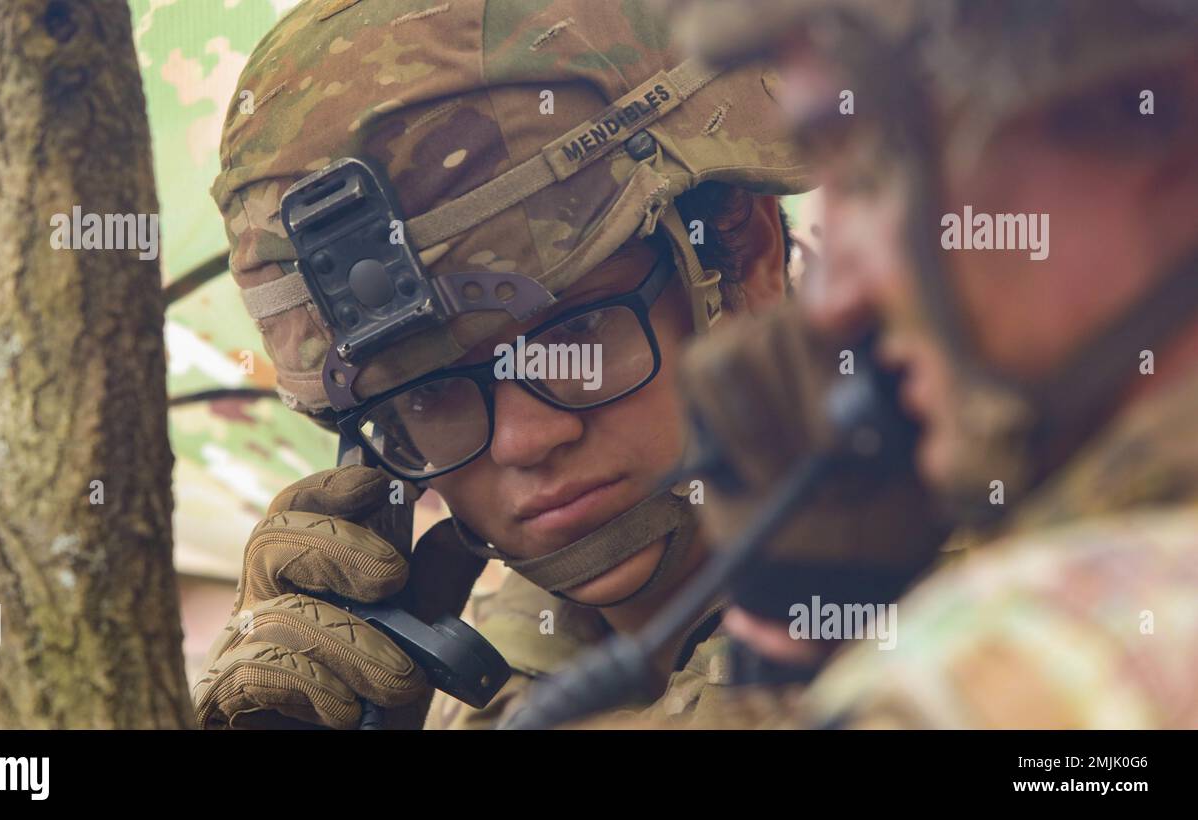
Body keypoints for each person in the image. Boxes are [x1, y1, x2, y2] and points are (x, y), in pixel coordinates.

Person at [189, 0, 855, 730]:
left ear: (745, 260)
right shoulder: (464, 703)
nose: (524, 440)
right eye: (428, 393)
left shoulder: (970, 613)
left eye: (579, 332)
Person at [675, 0, 1198, 728]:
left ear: (1148, 116)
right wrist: (800, 642)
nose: (832, 299)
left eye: (866, 172)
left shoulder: (1006, 684)